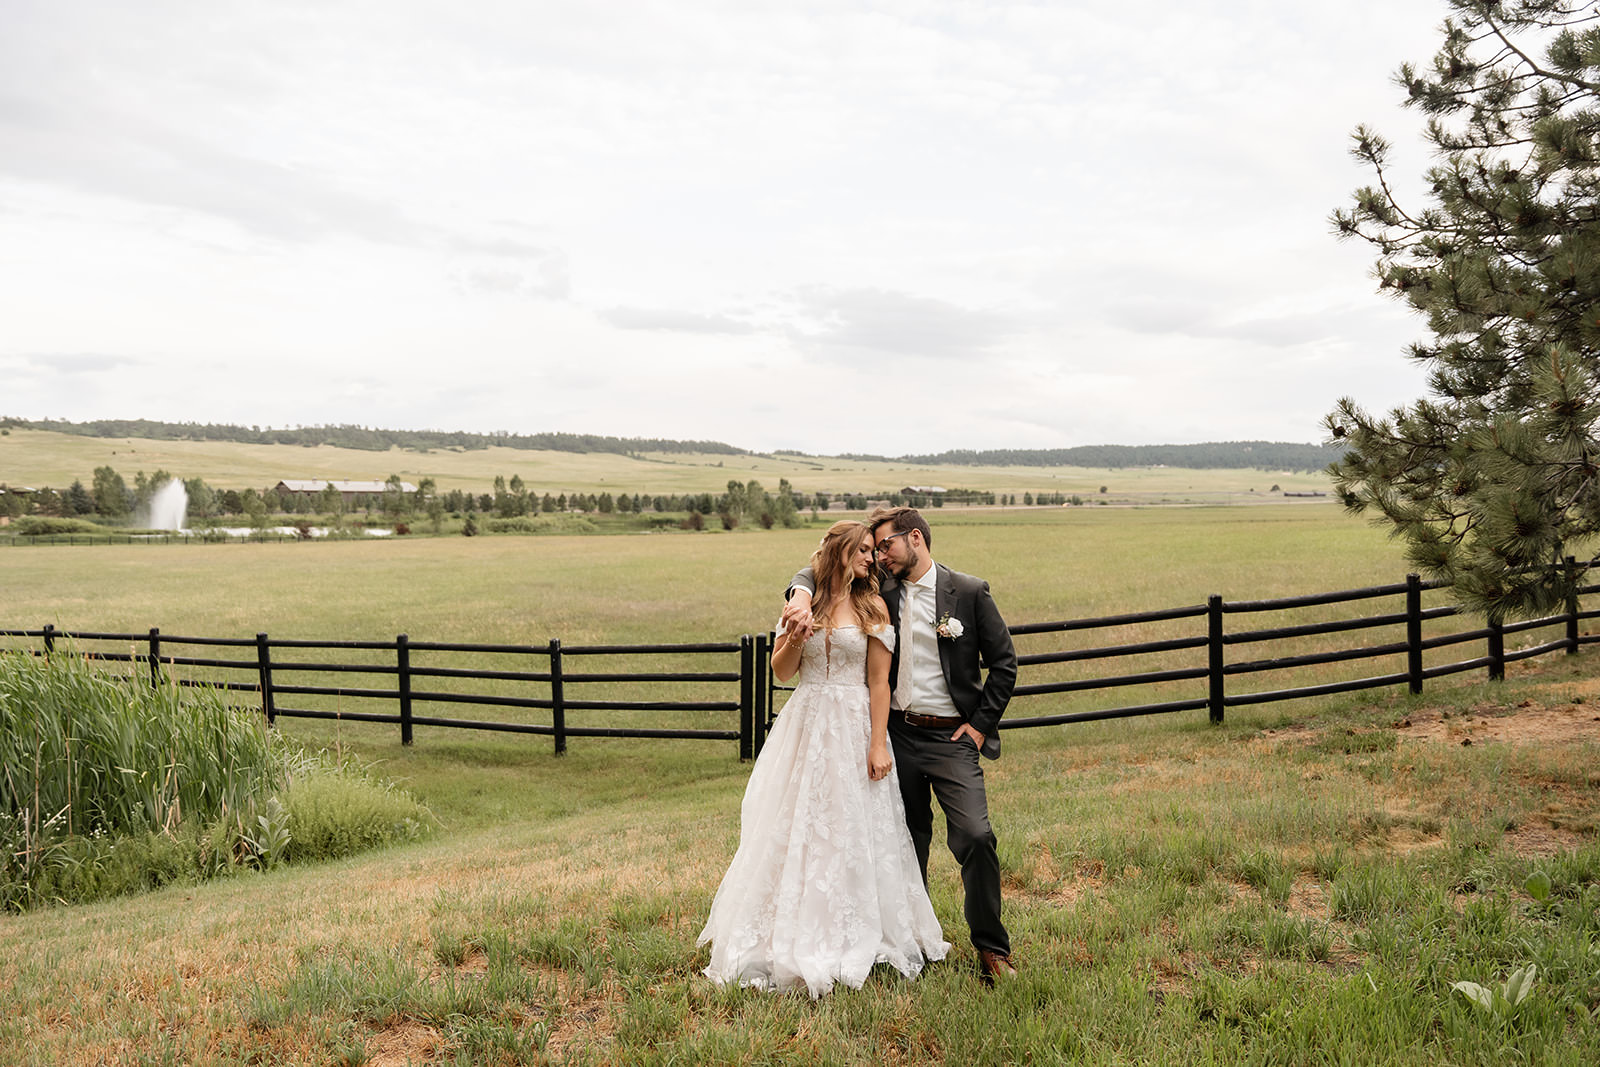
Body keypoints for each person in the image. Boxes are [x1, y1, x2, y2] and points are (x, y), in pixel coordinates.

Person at [697, 520, 950, 996]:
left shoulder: (873, 605)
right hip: (806, 722)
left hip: (854, 724)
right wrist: (796, 632)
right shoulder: (803, 600)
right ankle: (790, 925)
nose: (871, 559)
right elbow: (781, 671)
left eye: (876, 551)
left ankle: (858, 928)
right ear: (841, 551)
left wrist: (878, 743)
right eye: (864, 550)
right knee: (798, 823)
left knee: (854, 826)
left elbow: (879, 682)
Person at [782, 506, 1018, 983]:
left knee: (975, 835)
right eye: (874, 549)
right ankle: (910, 934)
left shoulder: (969, 592)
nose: (879, 556)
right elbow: (822, 565)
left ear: (915, 538)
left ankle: (992, 949)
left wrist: (977, 728)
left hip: (952, 738)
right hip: (896, 733)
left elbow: (1004, 663)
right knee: (905, 840)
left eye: (886, 545)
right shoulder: (880, 590)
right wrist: (801, 592)